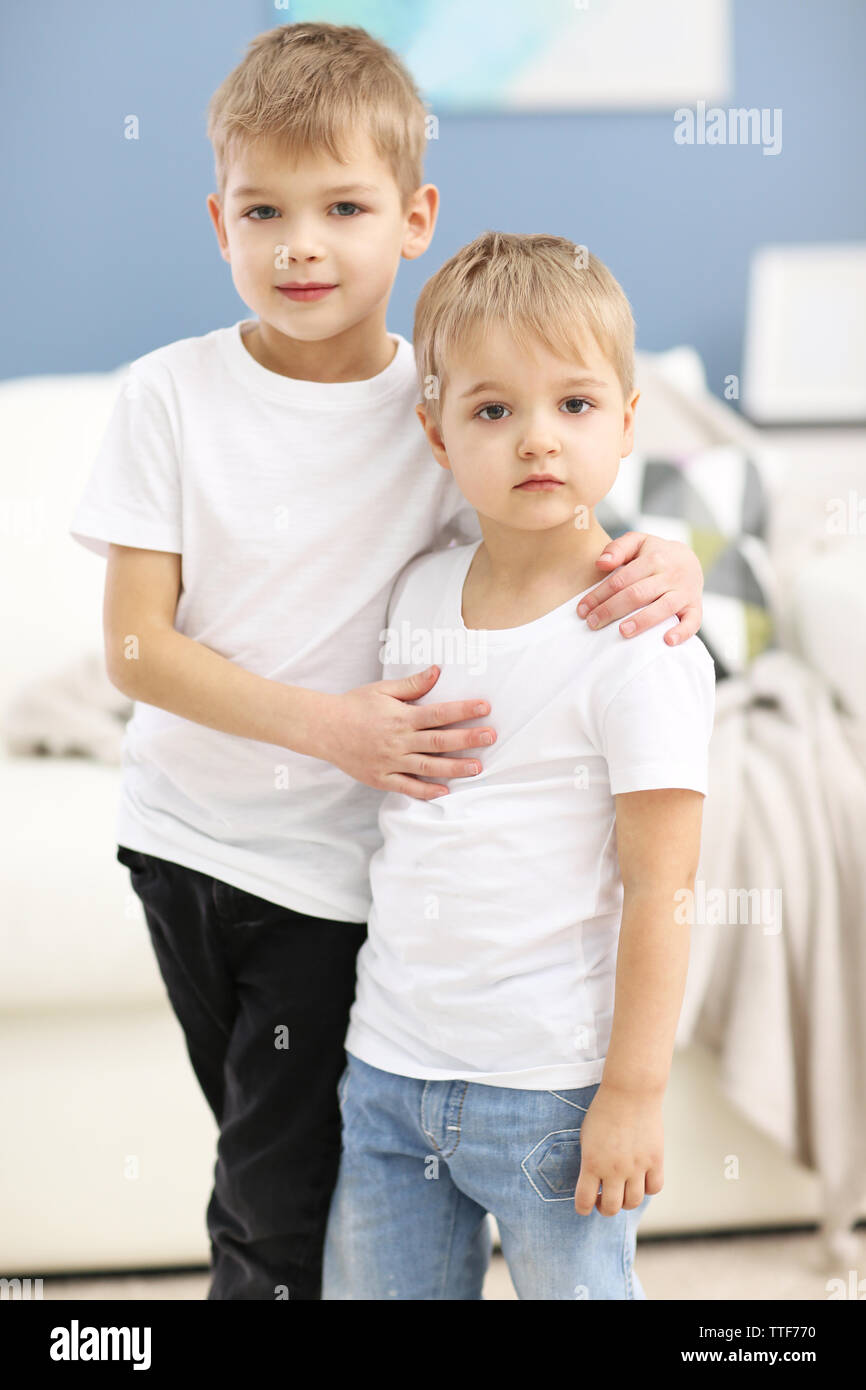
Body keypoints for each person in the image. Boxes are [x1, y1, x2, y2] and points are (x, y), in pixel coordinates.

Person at [69, 24, 706, 1301]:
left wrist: (670, 553)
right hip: (183, 843)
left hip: (332, 878)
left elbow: (547, 517)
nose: (301, 243)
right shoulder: (168, 396)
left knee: (274, 1193)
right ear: (219, 222)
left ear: (412, 218)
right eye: (265, 210)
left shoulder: (453, 395)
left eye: (343, 207)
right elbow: (135, 643)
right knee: (260, 1157)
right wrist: (325, 726)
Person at [322, 231, 716, 1301]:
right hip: (391, 1070)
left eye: (575, 406)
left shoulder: (640, 639)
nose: (537, 439)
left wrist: (631, 1092)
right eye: (493, 410)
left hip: (552, 1091)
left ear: (627, 421)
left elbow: (661, 884)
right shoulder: (414, 595)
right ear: (436, 433)